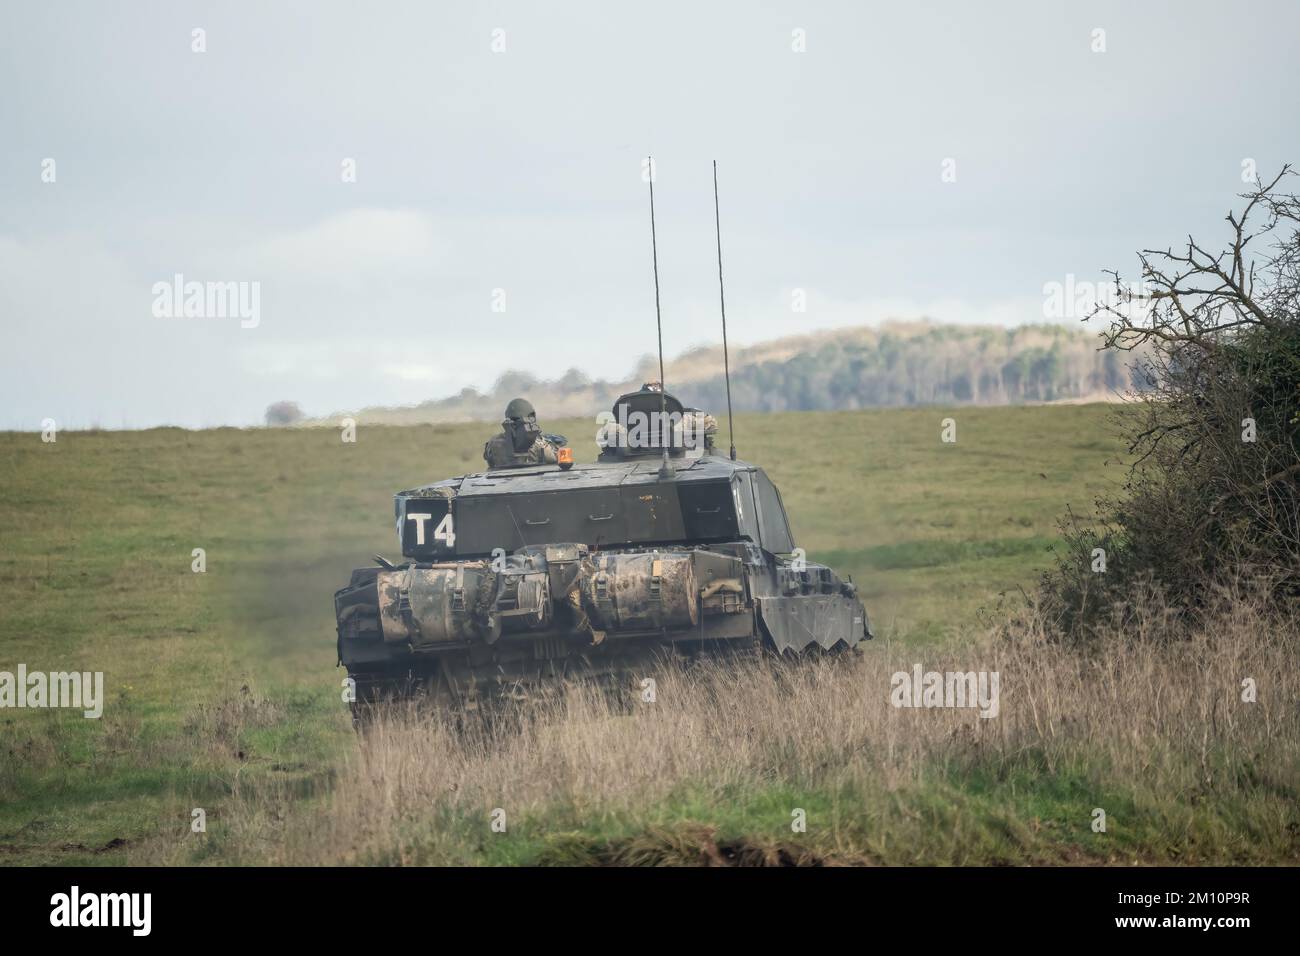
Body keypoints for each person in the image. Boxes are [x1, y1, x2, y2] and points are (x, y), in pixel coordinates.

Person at [483, 398, 563, 469]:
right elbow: (554, 458)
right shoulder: (537, 444)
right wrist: (552, 445)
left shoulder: (493, 442)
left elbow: (489, 459)